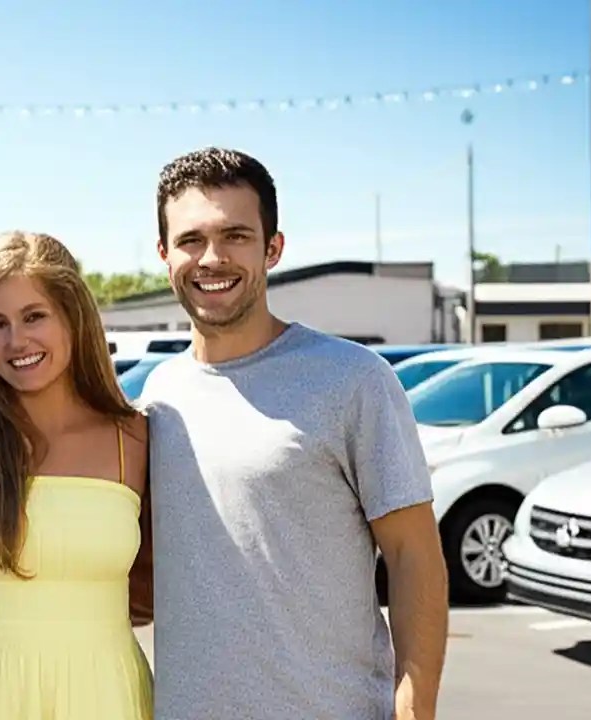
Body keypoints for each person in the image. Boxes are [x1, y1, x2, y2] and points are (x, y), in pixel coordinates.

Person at [139, 148, 449, 720]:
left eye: (236, 235)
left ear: (273, 248)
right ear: (163, 254)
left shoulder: (353, 380)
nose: (212, 258)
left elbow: (414, 557)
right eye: (190, 240)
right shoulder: (158, 396)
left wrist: (415, 708)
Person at [0, 231, 155, 720]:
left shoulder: (136, 437)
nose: (16, 341)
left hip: (106, 697)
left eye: (34, 316)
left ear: (73, 316)